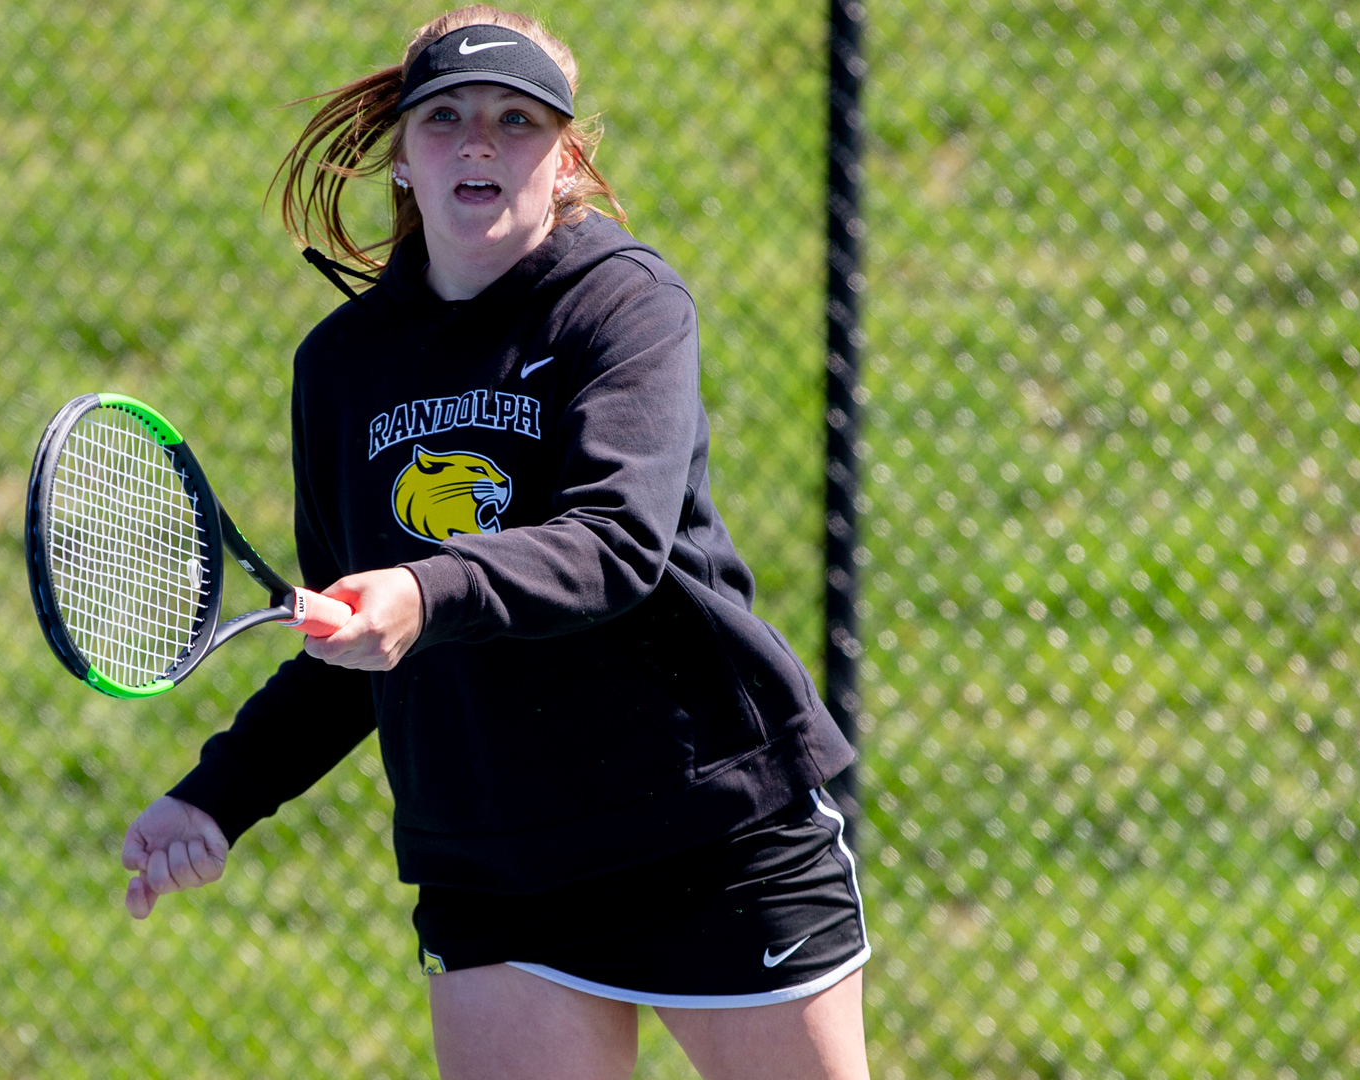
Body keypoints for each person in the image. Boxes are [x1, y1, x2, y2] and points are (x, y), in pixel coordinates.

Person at [120, 7, 870, 1078]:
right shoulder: (340, 368)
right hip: (495, 868)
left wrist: (424, 594)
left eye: (517, 120)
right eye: (447, 119)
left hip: (710, 826)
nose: (480, 141)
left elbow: (617, 542)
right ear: (403, 160)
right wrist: (214, 796)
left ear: (563, 156)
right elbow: (349, 645)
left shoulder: (622, 303)